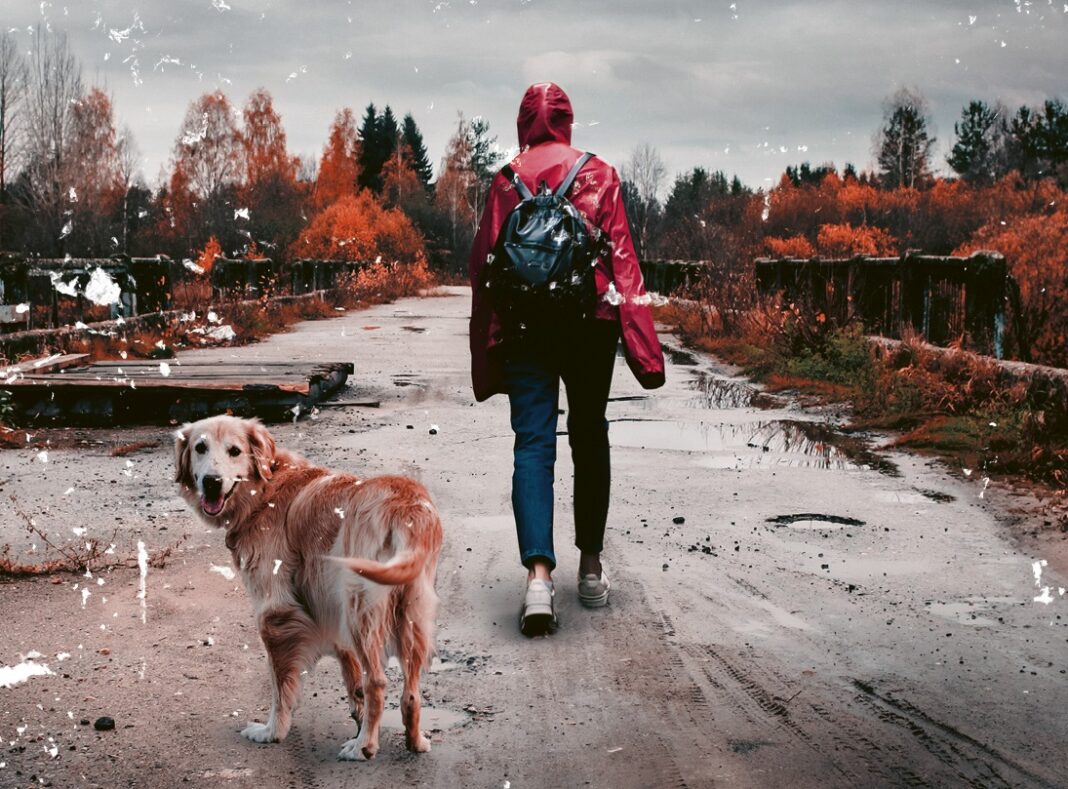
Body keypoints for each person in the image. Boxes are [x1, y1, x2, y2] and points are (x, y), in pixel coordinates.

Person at [469, 82, 665, 636]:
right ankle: (591, 568)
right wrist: (645, 353)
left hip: (528, 327)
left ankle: (537, 578)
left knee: (533, 442)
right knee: (588, 434)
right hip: (589, 325)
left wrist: (485, 351)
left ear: (523, 123)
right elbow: (625, 265)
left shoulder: (505, 180)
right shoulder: (599, 174)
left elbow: (483, 268)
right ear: (568, 122)